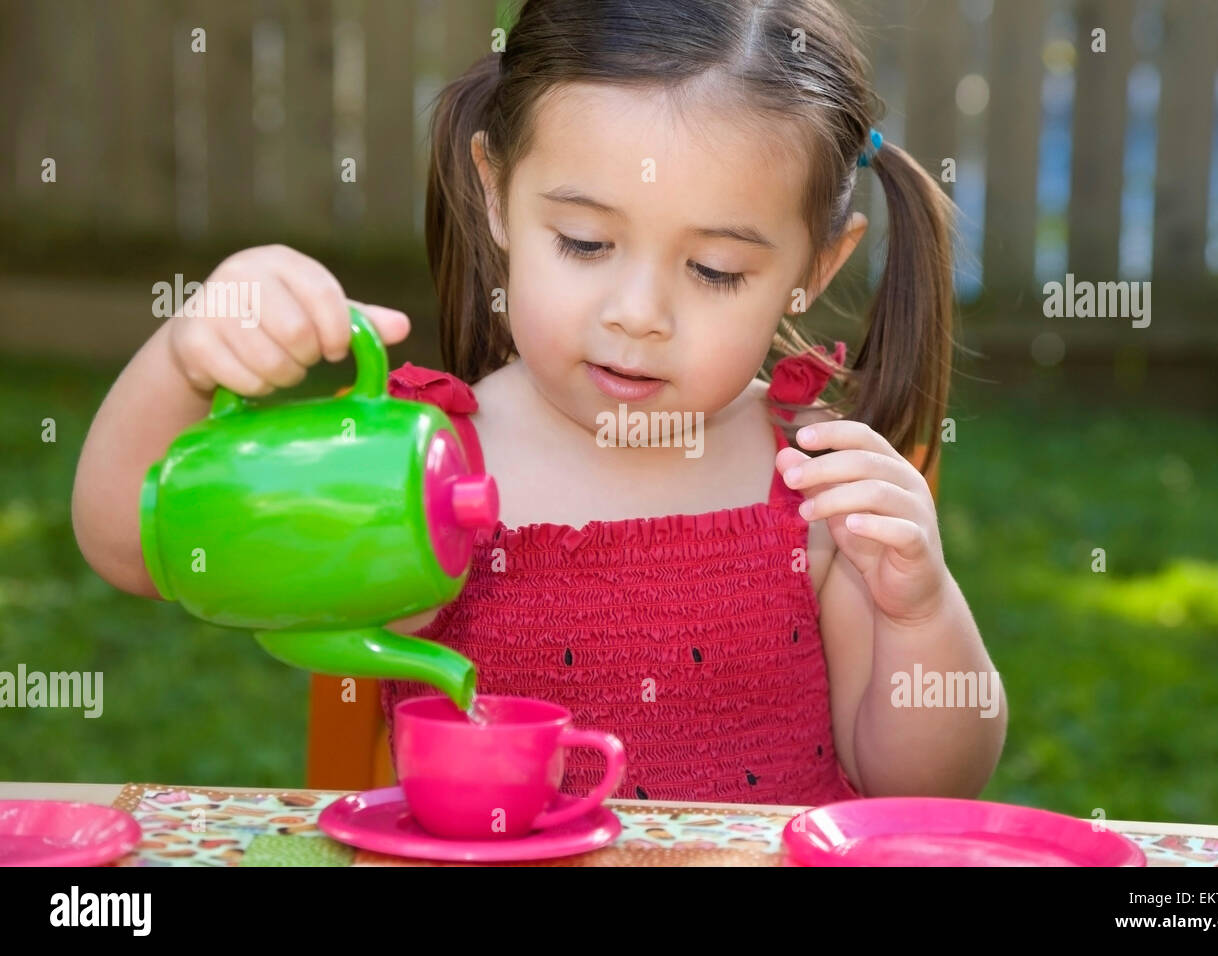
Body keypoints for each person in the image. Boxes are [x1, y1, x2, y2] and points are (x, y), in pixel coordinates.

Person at [73, 0, 1005, 807]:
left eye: (715, 270)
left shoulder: (810, 483)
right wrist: (187, 358)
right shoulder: (418, 462)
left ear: (812, 269)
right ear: (495, 195)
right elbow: (137, 544)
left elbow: (920, 788)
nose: (637, 315)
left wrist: (919, 613)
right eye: (587, 244)